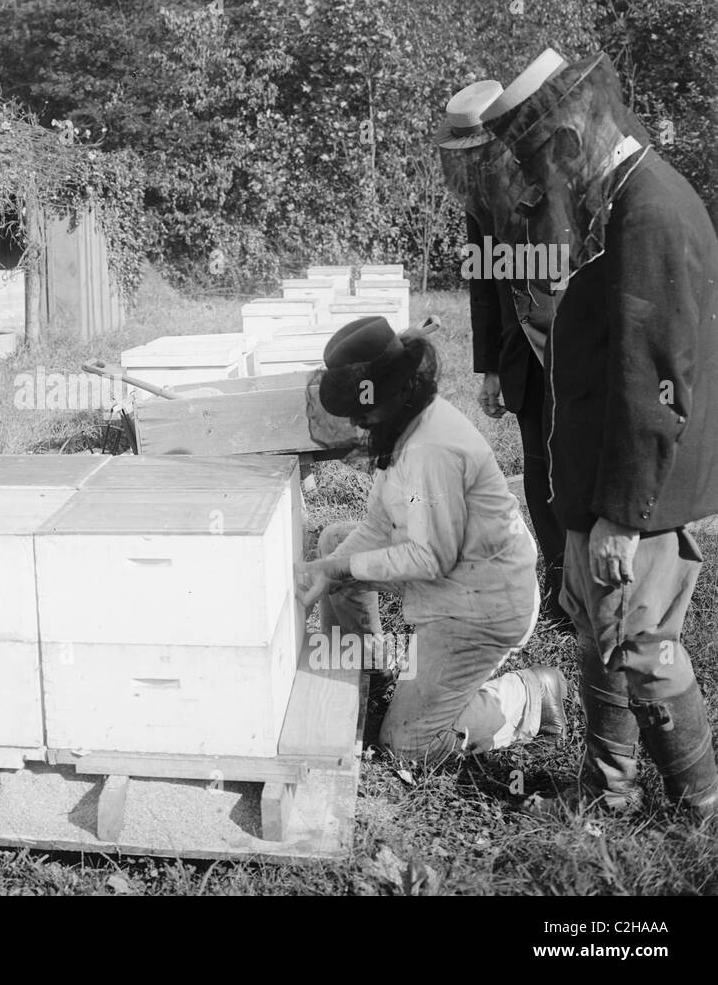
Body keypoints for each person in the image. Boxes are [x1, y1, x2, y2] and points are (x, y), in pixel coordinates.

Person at [483, 48, 718, 819]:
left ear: (571, 141)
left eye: (543, 165)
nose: (546, 187)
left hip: (633, 494)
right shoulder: (622, 200)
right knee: (598, 630)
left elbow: (654, 382)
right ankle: (608, 790)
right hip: (596, 480)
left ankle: (700, 805)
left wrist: (622, 514)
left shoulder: (649, 211)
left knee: (644, 648)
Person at [297, 315, 568, 765]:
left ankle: (530, 694)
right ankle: (372, 667)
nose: (360, 422)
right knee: (334, 543)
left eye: (364, 411)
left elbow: (428, 558)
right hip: (450, 574)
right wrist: (328, 569)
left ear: (395, 391)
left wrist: (339, 569)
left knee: (408, 745)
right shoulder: (403, 426)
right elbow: (377, 526)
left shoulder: (432, 449)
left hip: (482, 606)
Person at [435, 73, 572, 633]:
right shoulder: (477, 198)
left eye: (482, 144)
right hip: (521, 357)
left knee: (575, 469)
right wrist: (489, 367)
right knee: (537, 474)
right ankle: (562, 590)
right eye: (466, 149)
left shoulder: (554, 176)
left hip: (571, 349)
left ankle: (592, 591)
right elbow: (484, 288)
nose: (475, 157)